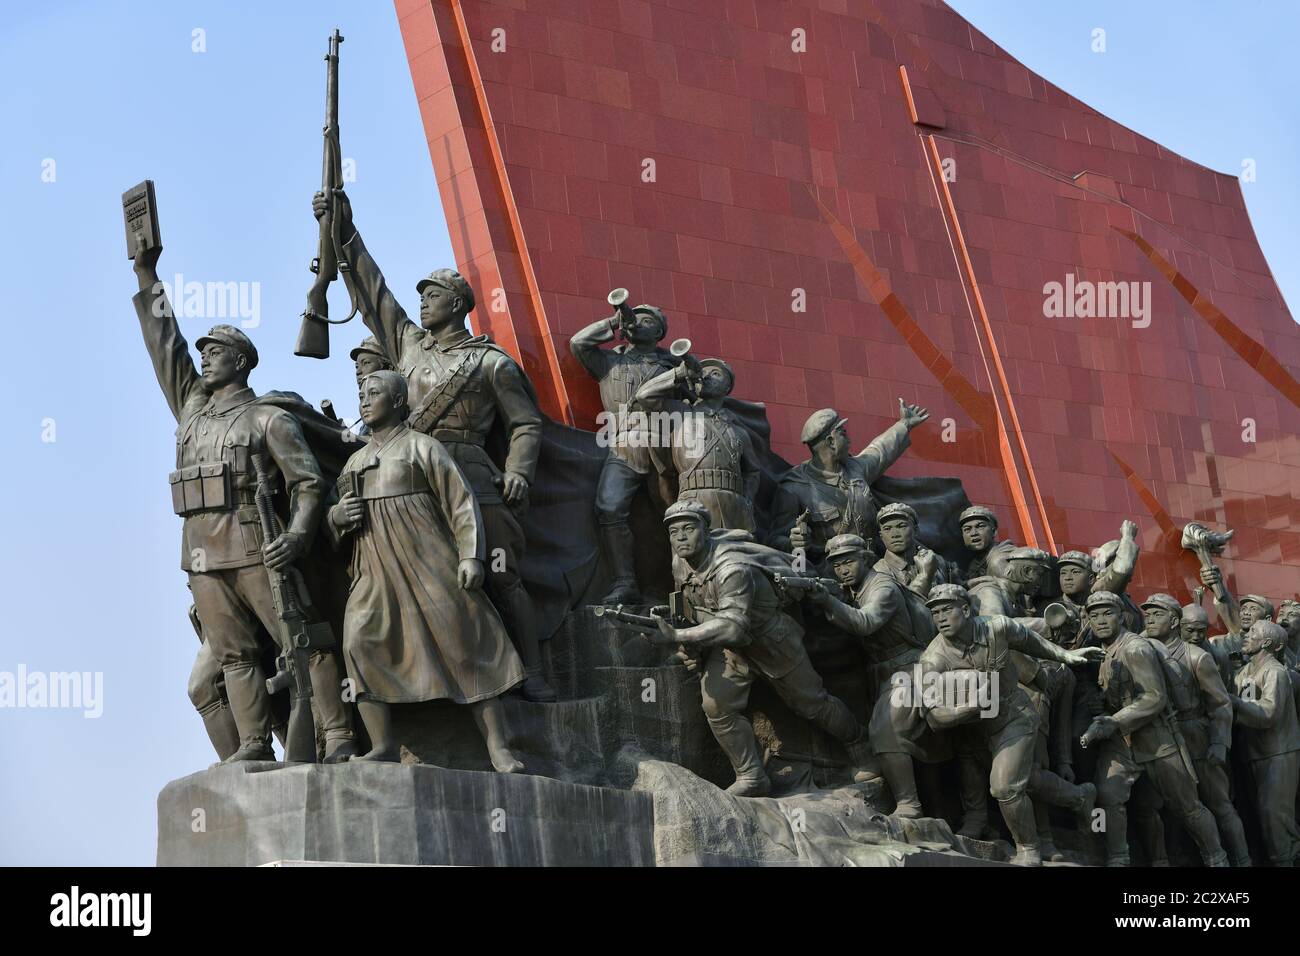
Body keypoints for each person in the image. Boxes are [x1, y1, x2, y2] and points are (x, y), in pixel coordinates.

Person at [314, 188, 555, 702]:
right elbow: (375, 292)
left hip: (470, 471)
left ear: (459, 305)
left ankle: (532, 670)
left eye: (433, 294)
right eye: (421, 294)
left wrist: (518, 473)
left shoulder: (491, 362)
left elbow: (525, 424)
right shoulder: (407, 345)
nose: (422, 301)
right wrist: (345, 231)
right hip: (410, 478)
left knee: (499, 574)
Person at [133, 237, 356, 762]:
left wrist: (299, 535)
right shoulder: (192, 410)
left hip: (257, 545)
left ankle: (340, 734)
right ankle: (254, 745)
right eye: (204, 352)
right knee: (234, 656)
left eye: (216, 353)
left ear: (242, 362)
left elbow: (307, 484)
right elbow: (166, 344)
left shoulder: (267, 417)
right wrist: (147, 275)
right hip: (201, 555)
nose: (205, 359)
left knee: (305, 638)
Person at [327, 371, 526, 771]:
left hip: (429, 560)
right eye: (361, 394)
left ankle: (498, 746)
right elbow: (334, 523)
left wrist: (471, 555)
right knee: (359, 640)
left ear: (399, 402)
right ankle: (383, 745)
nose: (364, 400)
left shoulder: (424, 448)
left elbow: (460, 501)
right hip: (374, 566)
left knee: (465, 639)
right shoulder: (355, 461)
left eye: (375, 393)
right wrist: (336, 516)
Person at [651, 501, 875, 797]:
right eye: (674, 531)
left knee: (812, 703)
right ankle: (751, 775)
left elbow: (734, 624)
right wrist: (687, 644)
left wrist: (680, 634)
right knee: (716, 705)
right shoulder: (681, 563)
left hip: (771, 640)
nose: (680, 537)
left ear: (706, 531)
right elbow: (697, 610)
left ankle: (860, 746)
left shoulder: (732, 568)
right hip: (731, 647)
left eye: (689, 529)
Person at [918, 583, 1102, 865]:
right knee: (1026, 779)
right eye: (935, 613)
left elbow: (1031, 641)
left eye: (946, 610)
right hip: (974, 731)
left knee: (1004, 787)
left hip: (1013, 718)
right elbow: (933, 718)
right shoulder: (933, 659)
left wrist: (1066, 655)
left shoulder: (997, 627)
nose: (940, 618)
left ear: (965, 610)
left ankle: (1028, 849)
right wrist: (970, 708)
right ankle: (1079, 797)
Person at [1081, 591, 1228, 867]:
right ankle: (1119, 860)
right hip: (1122, 741)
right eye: (1094, 615)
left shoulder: (1135, 648)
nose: (1100, 620)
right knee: (1109, 794)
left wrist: (1114, 721)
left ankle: (1217, 859)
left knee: (1188, 808)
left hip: (1155, 739)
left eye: (1107, 613)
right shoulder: (1104, 649)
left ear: (1121, 616)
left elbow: (1154, 697)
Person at [803, 533, 938, 817]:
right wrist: (798, 552)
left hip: (909, 669)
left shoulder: (882, 587)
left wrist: (828, 602)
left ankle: (909, 804)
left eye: (849, 561)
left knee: (884, 731)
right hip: (882, 672)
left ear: (865, 559)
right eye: (837, 564)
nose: (842, 569)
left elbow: (865, 623)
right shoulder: (853, 589)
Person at [569, 304, 680, 604]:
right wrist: (613, 321)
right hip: (622, 445)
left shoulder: (673, 366)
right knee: (608, 507)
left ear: (658, 332)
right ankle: (624, 582)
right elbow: (578, 343)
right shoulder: (607, 363)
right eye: (634, 317)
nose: (636, 322)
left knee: (673, 513)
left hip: (664, 444)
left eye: (646, 320)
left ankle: (686, 579)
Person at [1137, 594, 1250, 867]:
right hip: (1160, 739)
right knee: (1169, 806)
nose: (1149, 618)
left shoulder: (1198, 657)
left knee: (1219, 805)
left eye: (1157, 614)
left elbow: (1221, 705)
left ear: (1174, 621)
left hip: (1197, 738)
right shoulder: (1143, 649)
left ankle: (1242, 860)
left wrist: (1219, 744)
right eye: (1148, 614)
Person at [770, 402, 929, 568]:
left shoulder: (855, 468)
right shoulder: (793, 488)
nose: (849, 440)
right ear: (831, 442)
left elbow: (880, 450)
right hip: (832, 572)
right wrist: (793, 542)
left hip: (872, 565)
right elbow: (774, 540)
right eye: (843, 434)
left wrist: (905, 424)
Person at [633, 357, 761, 533]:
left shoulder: (738, 430)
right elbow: (644, 396)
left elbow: (752, 472)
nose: (706, 376)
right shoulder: (680, 413)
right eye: (703, 373)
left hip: (734, 504)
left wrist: (747, 501)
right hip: (693, 499)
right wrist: (680, 373)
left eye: (715, 373)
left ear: (727, 387)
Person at [1230, 620, 1300, 866]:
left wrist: (1234, 703)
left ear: (1267, 643)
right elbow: (1249, 709)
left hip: (1278, 752)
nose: (1246, 636)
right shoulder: (1245, 673)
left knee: (1274, 815)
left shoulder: (1276, 672)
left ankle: (1286, 860)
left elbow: (1269, 713)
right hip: (1253, 753)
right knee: (1258, 816)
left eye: (1253, 633)